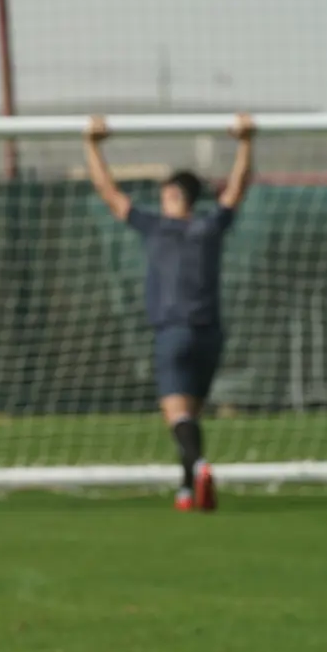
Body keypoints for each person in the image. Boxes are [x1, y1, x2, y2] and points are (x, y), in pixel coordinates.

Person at [83, 112, 255, 512]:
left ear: (175, 196)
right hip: (210, 335)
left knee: (177, 418)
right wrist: (246, 142)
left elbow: (108, 192)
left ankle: (199, 467)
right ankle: (186, 489)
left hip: (173, 333)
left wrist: (91, 145)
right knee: (190, 417)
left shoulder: (156, 227)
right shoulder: (209, 227)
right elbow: (238, 188)